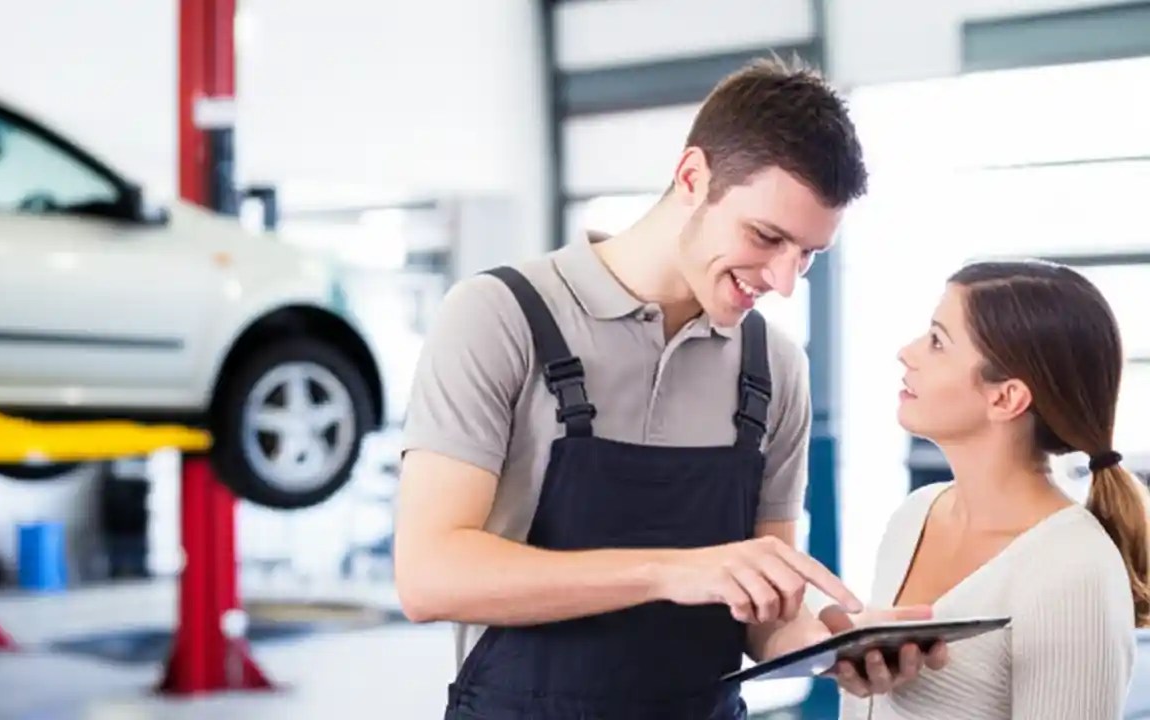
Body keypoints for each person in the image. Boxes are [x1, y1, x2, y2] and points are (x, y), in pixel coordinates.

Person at [394, 57, 945, 720]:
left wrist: (831, 644)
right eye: (765, 237)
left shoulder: (772, 367)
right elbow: (428, 575)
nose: (783, 280)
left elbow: (765, 611)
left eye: (807, 254)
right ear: (692, 178)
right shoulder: (500, 317)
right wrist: (671, 572)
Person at [838, 260, 1144, 719]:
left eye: (938, 342)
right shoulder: (916, 515)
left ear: (1005, 398)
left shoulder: (1074, 568)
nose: (907, 352)